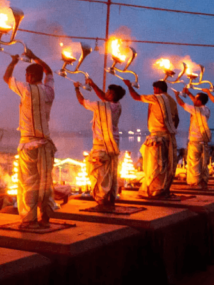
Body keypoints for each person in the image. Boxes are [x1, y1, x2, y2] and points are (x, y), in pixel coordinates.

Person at [4, 49, 58, 228]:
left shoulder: (26, 89)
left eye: (27, 75)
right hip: (46, 145)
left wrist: (13, 62)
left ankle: (29, 220)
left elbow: (6, 78)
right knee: (46, 182)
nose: (25, 77)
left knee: (29, 183)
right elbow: (49, 71)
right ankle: (46, 216)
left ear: (30, 76)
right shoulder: (49, 91)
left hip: (29, 145)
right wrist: (35, 57)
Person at [74, 78, 126, 208]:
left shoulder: (101, 106)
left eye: (108, 92)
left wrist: (76, 88)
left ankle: (102, 200)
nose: (105, 93)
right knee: (111, 173)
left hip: (101, 145)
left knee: (100, 174)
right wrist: (93, 84)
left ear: (112, 95)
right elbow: (103, 97)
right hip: (113, 145)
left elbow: (82, 101)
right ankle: (110, 200)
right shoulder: (118, 106)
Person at [124, 80, 179, 198]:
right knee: (166, 165)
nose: (153, 91)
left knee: (155, 166)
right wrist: (170, 129)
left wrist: (129, 86)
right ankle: (163, 189)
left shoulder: (157, 98)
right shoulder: (172, 100)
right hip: (169, 137)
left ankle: (155, 190)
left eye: (154, 89)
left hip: (157, 138)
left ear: (158, 89)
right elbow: (177, 119)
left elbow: (136, 97)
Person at [174, 88, 211, 189]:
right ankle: (203, 183)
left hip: (195, 140)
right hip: (204, 141)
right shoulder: (206, 110)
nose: (194, 100)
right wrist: (189, 93)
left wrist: (176, 95)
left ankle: (195, 184)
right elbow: (195, 102)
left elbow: (181, 103)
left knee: (194, 163)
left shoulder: (196, 110)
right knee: (203, 164)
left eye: (196, 99)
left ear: (199, 101)